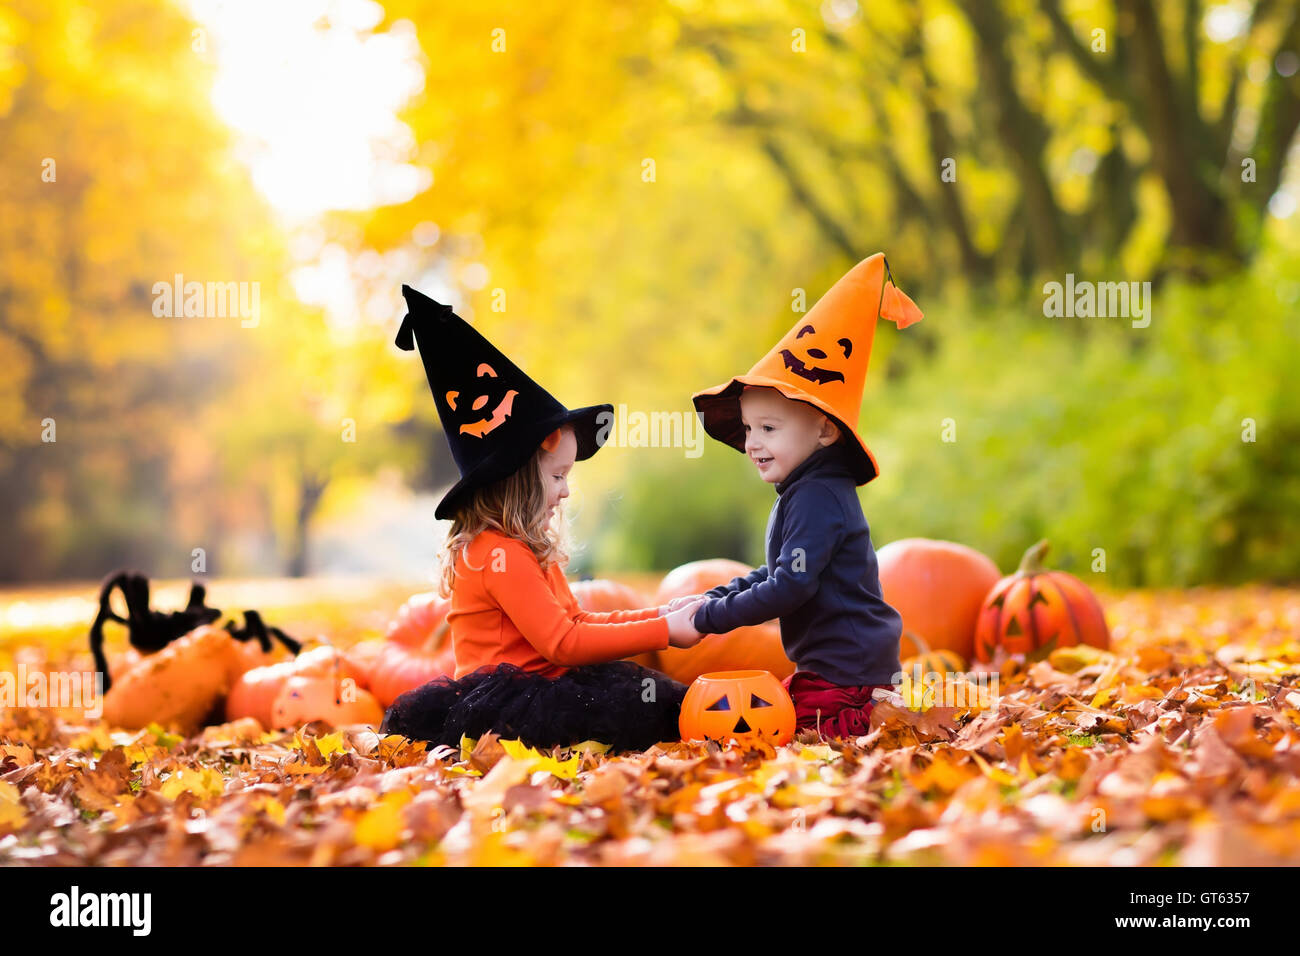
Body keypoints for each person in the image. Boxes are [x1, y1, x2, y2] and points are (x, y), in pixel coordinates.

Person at [380, 285, 704, 752]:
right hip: (508, 706)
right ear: (516, 480)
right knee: (639, 709)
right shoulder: (498, 554)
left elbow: (577, 619)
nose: (566, 490)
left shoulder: (526, 547)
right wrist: (664, 633)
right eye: (557, 476)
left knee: (650, 703)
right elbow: (563, 644)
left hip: (546, 686)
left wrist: (660, 614)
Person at [677, 253, 924, 739]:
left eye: (768, 428)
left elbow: (790, 589)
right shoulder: (807, 489)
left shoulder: (818, 497)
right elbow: (778, 573)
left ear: (825, 431)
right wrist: (715, 595)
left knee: (778, 728)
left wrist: (708, 619)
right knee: (770, 710)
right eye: (749, 428)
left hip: (849, 677)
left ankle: (865, 721)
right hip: (836, 669)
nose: (751, 442)